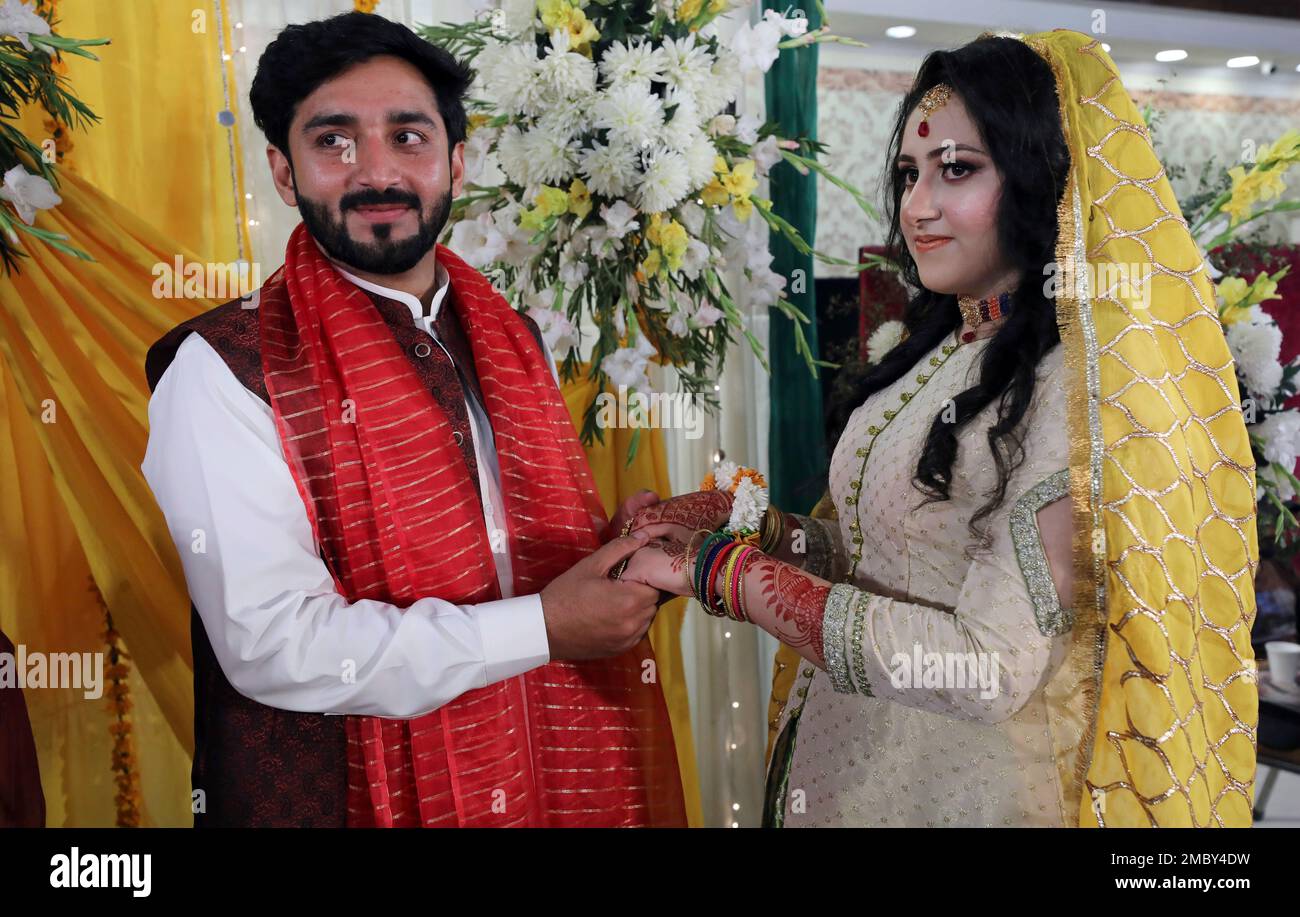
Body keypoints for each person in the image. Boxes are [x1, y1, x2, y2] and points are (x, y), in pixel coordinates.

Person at [622, 29, 1259, 827]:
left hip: (963, 795)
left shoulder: (1077, 392)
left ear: (1040, 177)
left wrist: (724, 575)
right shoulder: (940, 350)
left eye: (957, 170)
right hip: (853, 771)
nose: (916, 207)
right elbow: (880, 558)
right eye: (908, 174)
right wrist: (743, 526)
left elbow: (986, 668)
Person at [141, 12, 684, 827]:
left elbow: (504, 554)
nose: (377, 172)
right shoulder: (221, 368)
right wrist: (545, 624)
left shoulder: (510, 337)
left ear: (456, 163)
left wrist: (607, 554)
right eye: (333, 141)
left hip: (541, 776)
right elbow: (275, 645)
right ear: (283, 173)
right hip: (343, 800)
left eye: (408, 136)